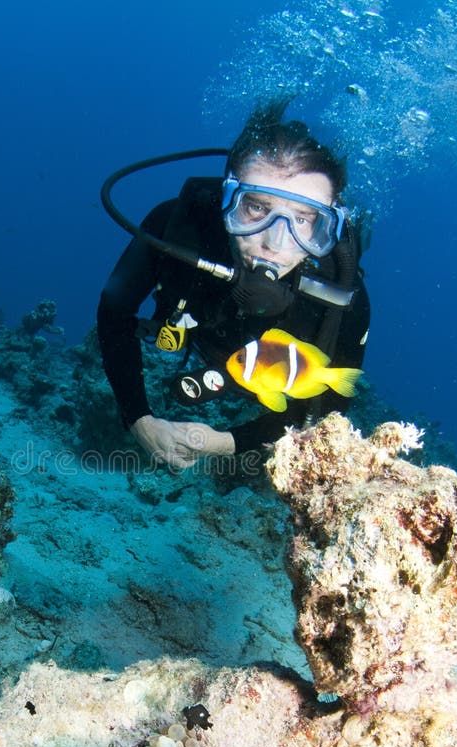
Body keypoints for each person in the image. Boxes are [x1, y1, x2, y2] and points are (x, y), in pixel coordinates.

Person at [97, 99, 370, 470]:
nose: (275, 243)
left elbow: (324, 415)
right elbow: (115, 312)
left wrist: (227, 443)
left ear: (328, 228)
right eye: (256, 208)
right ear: (226, 199)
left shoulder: (339, 295)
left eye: (304, 220)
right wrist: (139, 420)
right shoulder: (175, 231)